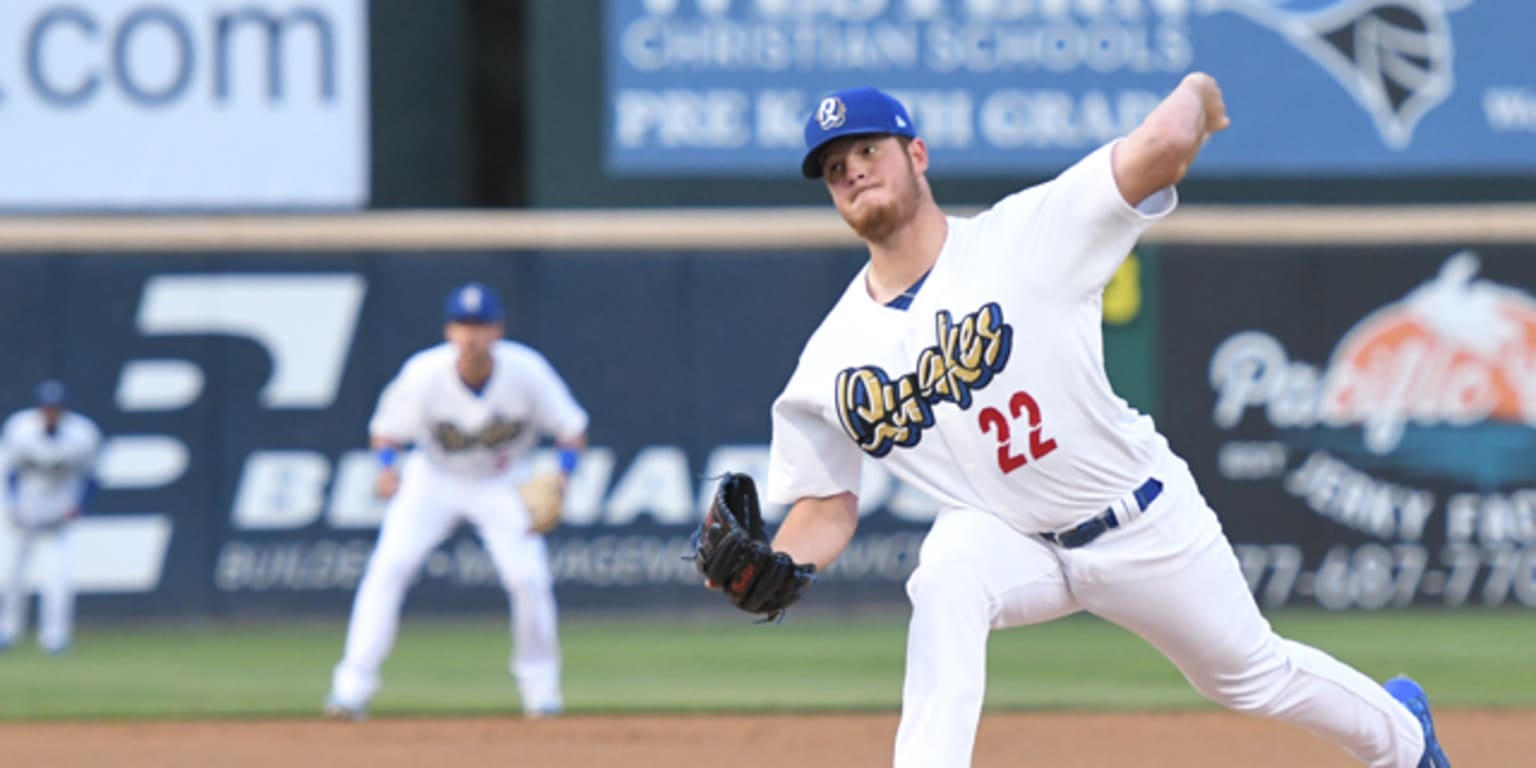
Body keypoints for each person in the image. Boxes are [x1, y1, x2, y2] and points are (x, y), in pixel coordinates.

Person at [759, 76, 1451, 767]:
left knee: (1250, 675)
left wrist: (1200, 92)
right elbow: (825, 506)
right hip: (1014, 537)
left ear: (917, 155)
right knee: (945, 576)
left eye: (867, 150)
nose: (851, 170)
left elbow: (1166, 146)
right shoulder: (832, 356)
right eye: (833, 166)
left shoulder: (1025, 236)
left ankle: (1406, 740)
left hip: (1139, 521)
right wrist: (773, 566)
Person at [325, 281, 588, 720]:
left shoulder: (526, 371)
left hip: (503, 481)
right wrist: (388, 468)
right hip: (434, 480)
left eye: (481, 325)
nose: (471, 335)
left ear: (497, 330)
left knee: (528, 580)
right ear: (449, 331)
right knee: (388, 570)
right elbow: (386, 432)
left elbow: (571, 430)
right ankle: (350, 690)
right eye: (463, 324)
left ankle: (541, 693)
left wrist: (563, 477)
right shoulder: (424, 373)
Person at [0, 380, 102, 655]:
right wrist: (12, 506)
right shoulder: (20, 428)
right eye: (46, 408)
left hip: (60, 514)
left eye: (55, 408)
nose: (51, 413)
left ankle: (54, 637)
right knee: (11, 575)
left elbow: (92, 477)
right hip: (25, 512)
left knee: (59, 577)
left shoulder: (83, 433)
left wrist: (79, 506)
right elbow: (9, 472)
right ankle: (8, 630)